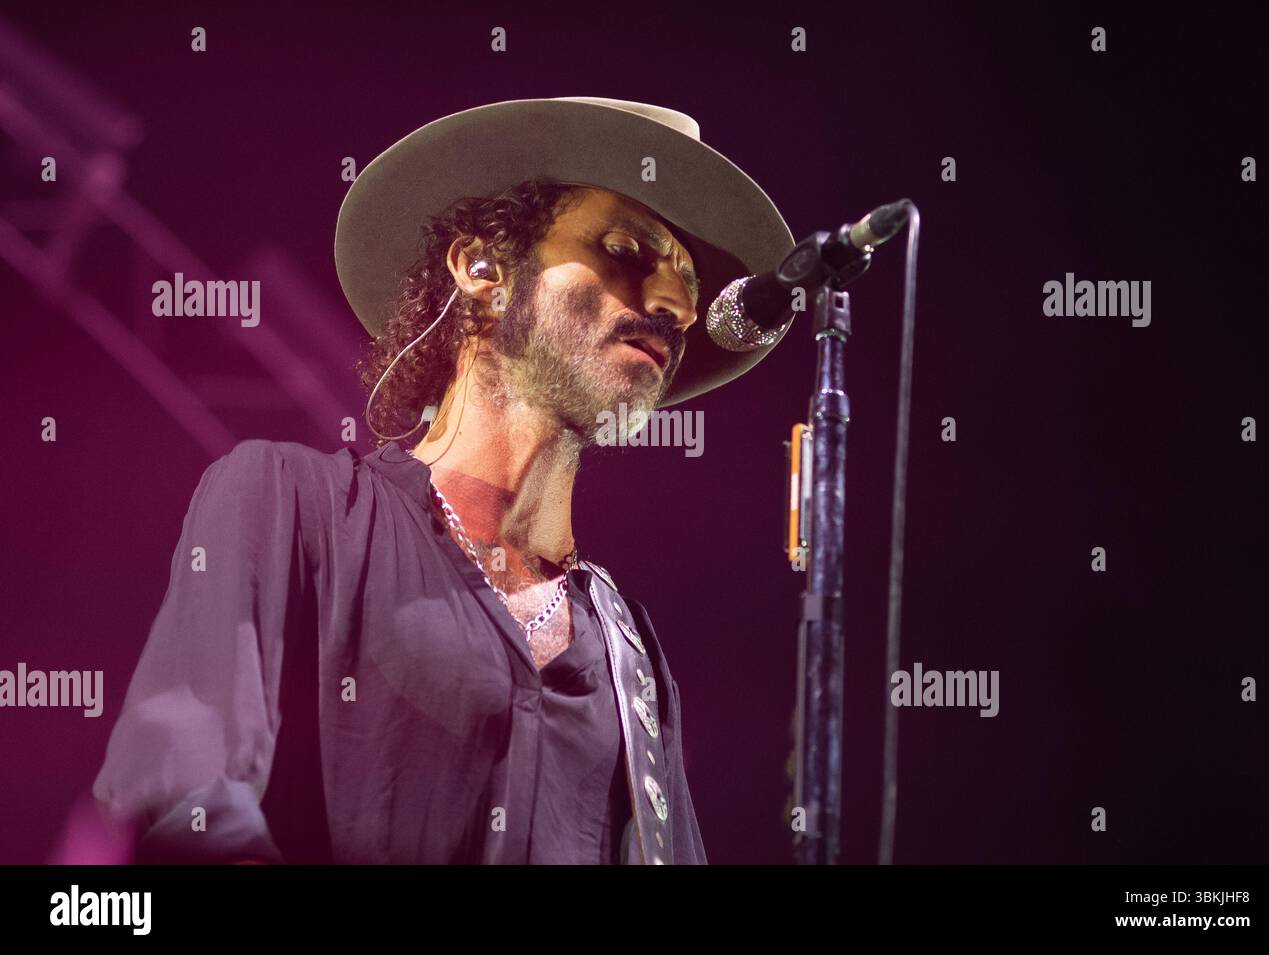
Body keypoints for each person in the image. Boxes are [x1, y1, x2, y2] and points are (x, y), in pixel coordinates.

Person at [92, 97, 794, 864]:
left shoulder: (629, 653)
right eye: (627, 248)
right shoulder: (289, 503)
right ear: (482, 268)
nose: (678, 306)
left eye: (687, 286)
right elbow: (183, 802)